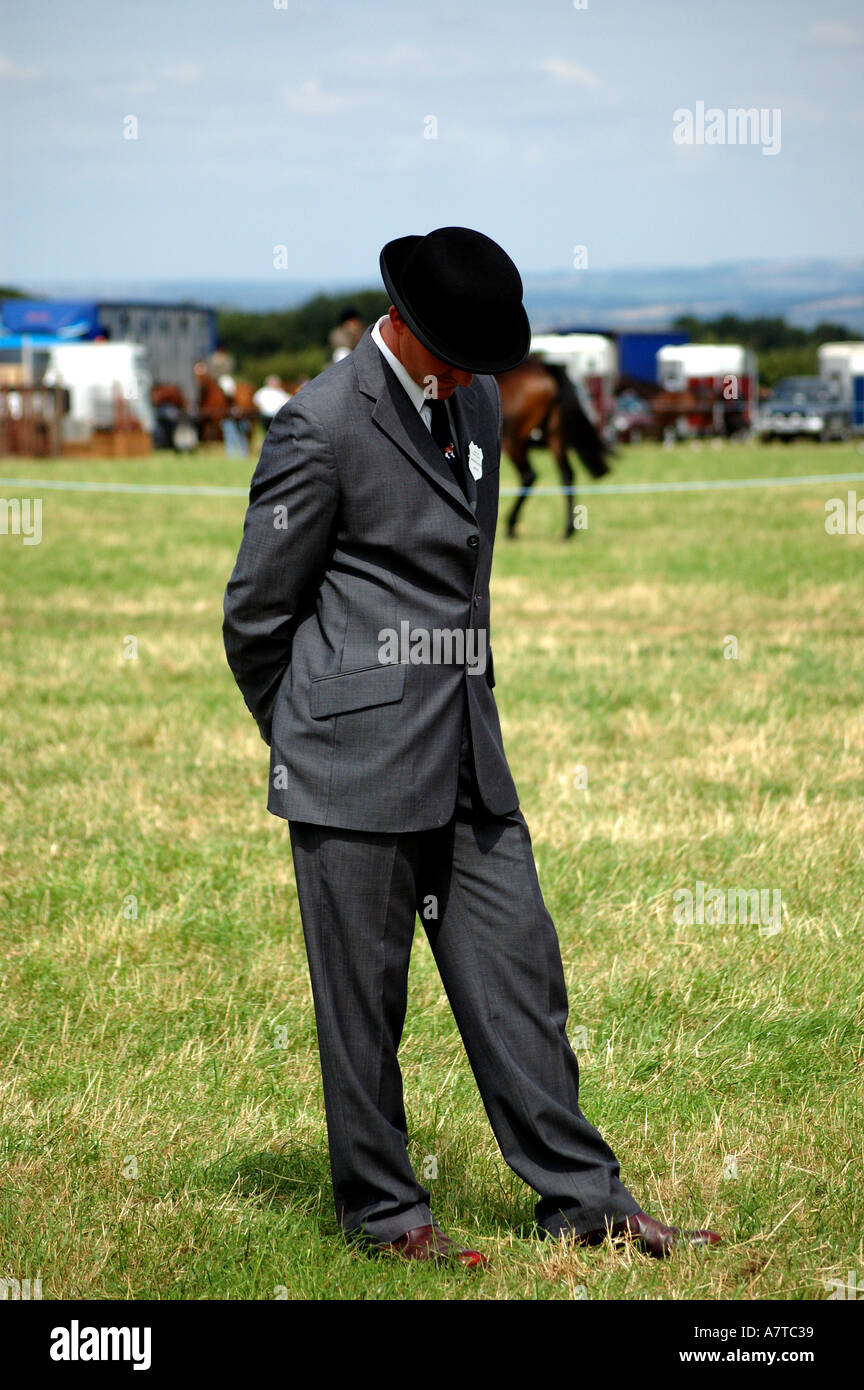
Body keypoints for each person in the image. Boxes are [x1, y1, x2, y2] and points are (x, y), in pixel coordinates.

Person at [222, 226, 722, 1268]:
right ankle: (387, 1218)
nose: (474, 374)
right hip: (347, 768)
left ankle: (586, 1201)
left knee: (520, 972)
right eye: (459, 351)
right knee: (366, 1010)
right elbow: (256, 617)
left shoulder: (484, 400)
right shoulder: (318, 425)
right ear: (402, 328)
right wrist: (314, 738)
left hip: (467, 753)